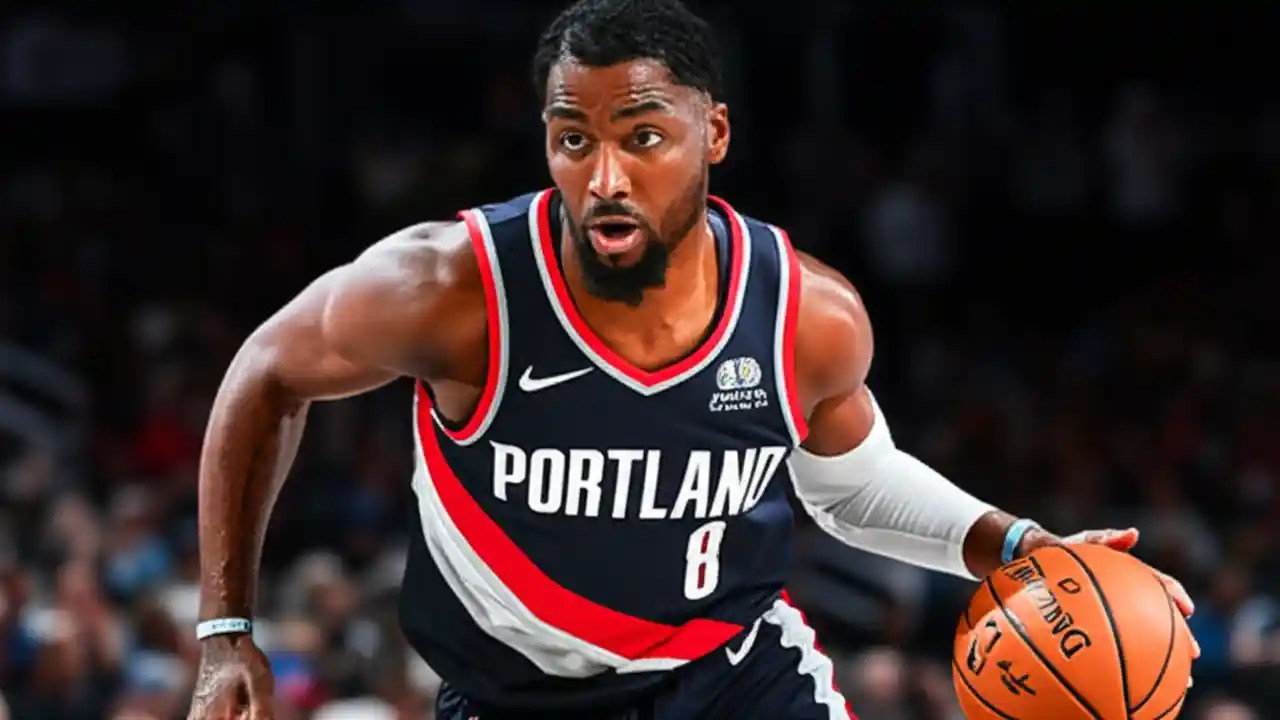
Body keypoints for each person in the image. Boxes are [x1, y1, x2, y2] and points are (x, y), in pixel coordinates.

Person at [185, 1, 1197, 718]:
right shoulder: (451, 290)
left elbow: (848, 489)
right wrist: (224, 627)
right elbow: (263, 374)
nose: (604, 175)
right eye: (571, 139)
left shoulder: (807, 315)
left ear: (711, 133)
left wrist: (1017, 546)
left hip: (736, 677)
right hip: (515, 698)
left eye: (642, 135)